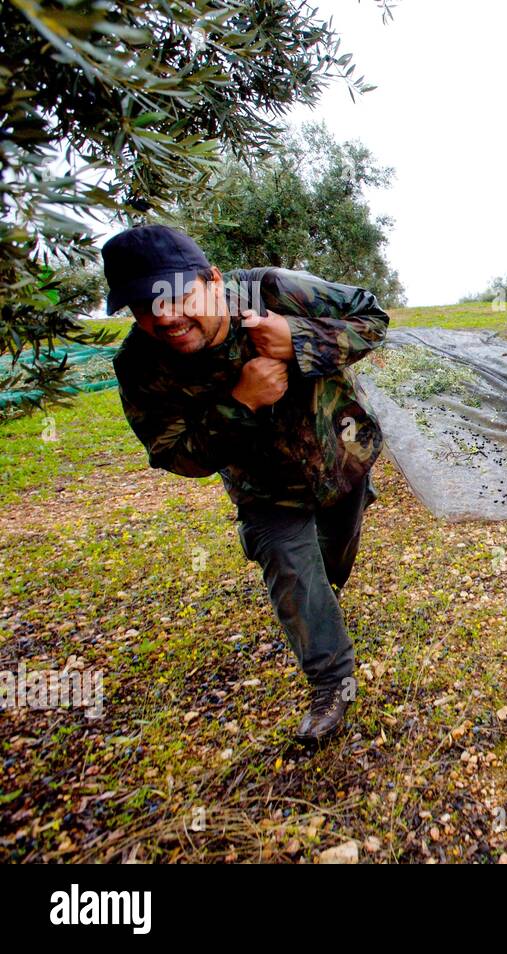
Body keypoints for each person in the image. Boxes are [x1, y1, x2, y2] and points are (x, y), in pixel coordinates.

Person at [103, 225, 389, 743]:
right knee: (290, 563)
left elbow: (372, 316)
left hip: (344, 460)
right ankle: (332, 683)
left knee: (331, 563)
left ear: (213, 279)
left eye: (178, 294)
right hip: (265, 490)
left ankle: (323, 581)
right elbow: (174, 453)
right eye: (143, 306)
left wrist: (296, 339)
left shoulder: (274, 291)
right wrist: (242, 403)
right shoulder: (139, 366)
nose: (165, 316)